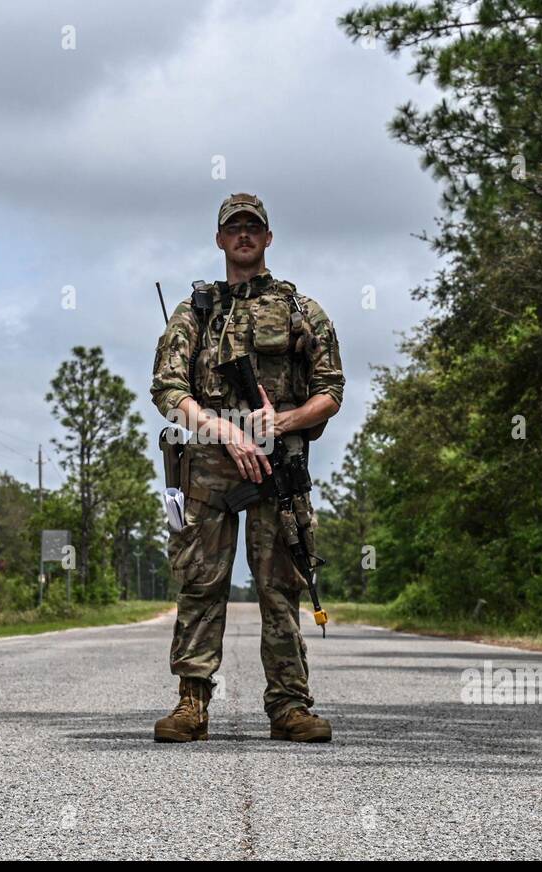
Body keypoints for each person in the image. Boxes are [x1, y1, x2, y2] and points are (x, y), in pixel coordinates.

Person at [149, 192, 345, 743]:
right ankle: (192, 703)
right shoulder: (195, 314)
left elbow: (331, 391)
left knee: (280, 585)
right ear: (219, 239)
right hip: (211, 466)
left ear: (267, 237)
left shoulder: (301, 311)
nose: (243, 236)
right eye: (233, 228)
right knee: (201, 583)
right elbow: (168, 389)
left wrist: (280, 426)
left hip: (277, 464)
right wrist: (223, 430)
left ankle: (289, 704)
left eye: (252, 228)